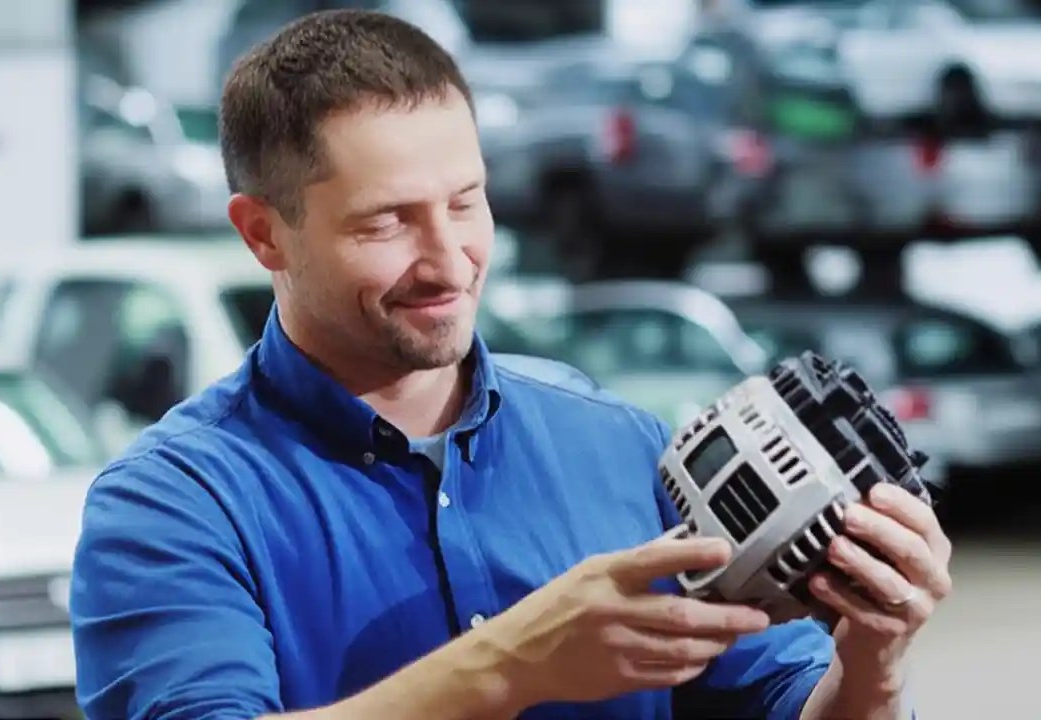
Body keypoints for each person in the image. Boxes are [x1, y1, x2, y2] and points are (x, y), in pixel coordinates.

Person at [70, 10, 953, 720]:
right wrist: (509, 664)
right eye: (387, 222)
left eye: (466, 201)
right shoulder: (172, 504)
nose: (449, 258)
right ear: (263, 232)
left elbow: (784, 701)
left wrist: (871, 666)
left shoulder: (623, 451)